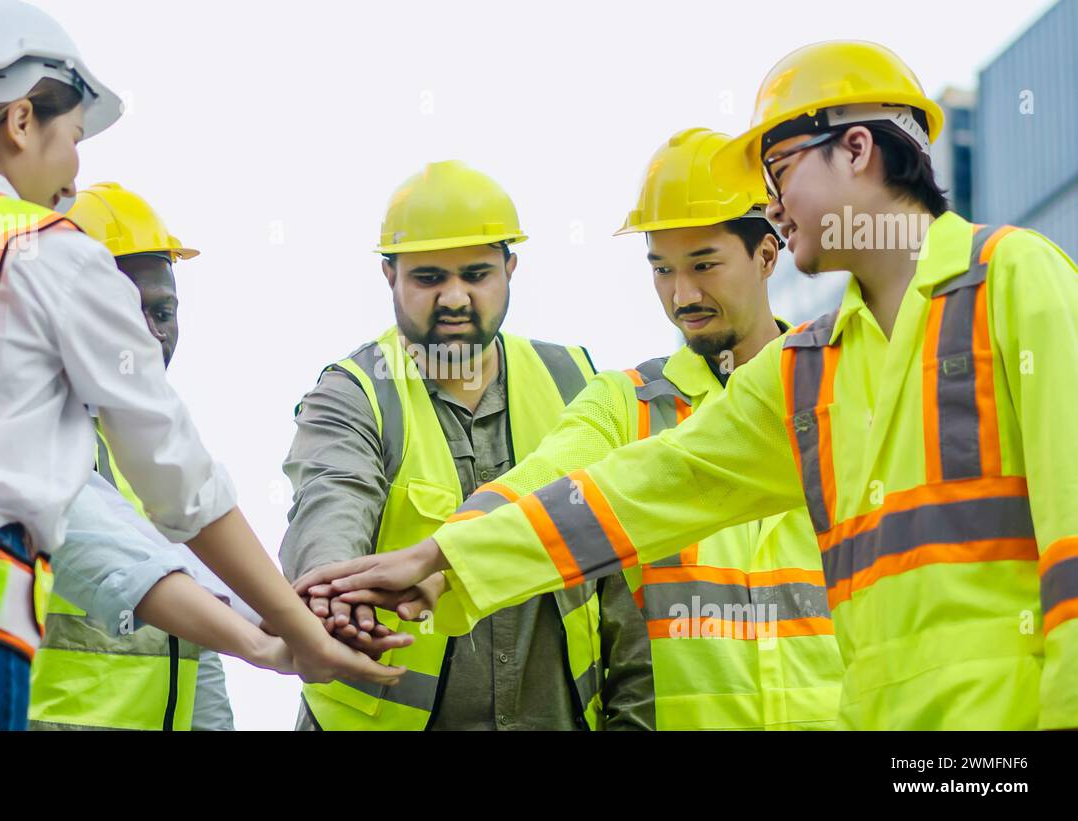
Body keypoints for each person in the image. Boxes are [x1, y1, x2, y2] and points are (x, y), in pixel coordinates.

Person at [296, 41, 1078, 730]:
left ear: (859, 150)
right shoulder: (812, 370)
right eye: (662, 267)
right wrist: (441, 556)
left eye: (780, 171)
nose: (774, 205)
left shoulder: (1010, 280)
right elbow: (641, 485)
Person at [0, 0, 399, 731]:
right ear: (19, 123)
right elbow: (180, 481)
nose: (74, 172)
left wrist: (262, 632)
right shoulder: (48, 249)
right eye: (73, 138)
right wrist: (295, 627)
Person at [420, 128, 843, 729]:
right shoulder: (628, 404)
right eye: (662, 270)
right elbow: (540, 480)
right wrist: (437, 555)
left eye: (704, 265)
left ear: (767, 255)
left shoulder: (835, 388)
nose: (682, 294)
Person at [282, 160, 652, 730]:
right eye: (429, 278)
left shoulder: (574, 380)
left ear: (511, 268)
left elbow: (621, 576)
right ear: (389, 277)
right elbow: (331, 500)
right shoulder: (354, 393)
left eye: (476, 274)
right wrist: (335, 592)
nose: (455, 297)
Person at [29, 183, 275, 731]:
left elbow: (198, 645)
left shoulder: (165, 456)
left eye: (162, 310)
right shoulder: (28, 441)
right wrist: (284, 623)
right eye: (124, 313)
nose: (149, 334)